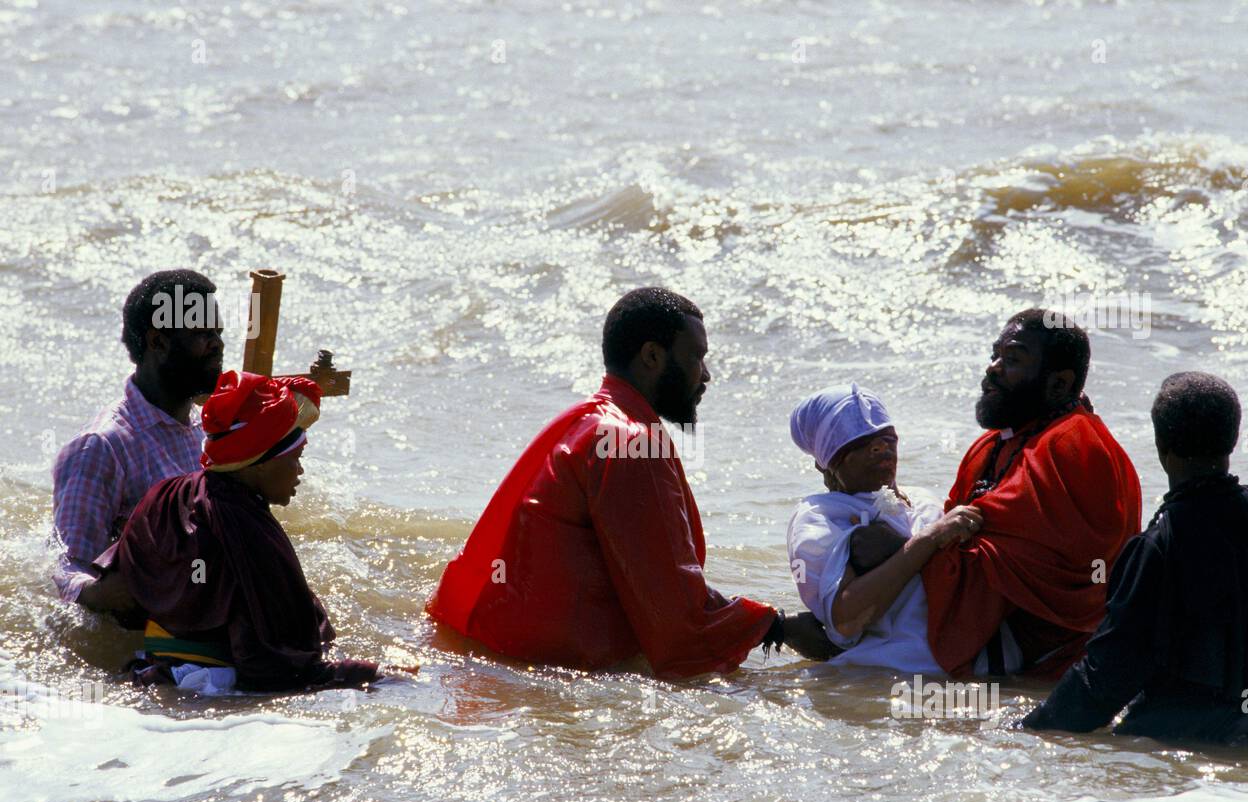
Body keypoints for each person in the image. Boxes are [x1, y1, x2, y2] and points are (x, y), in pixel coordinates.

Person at [428, 287, 834, 677]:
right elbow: (677, 630)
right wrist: (778, 629)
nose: (707, 375)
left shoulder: (584, 420)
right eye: (696, 356)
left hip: (471, 649)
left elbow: (661, 582)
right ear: (652, 356)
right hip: (518, 669)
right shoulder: (631, 443)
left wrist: (765, 623)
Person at [1023, 372, 1248, 742]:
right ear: (1233, 439)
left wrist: (1029, 730)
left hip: (1184, 733)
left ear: (1160, 446)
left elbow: (1104, 681)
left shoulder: (1157, 546)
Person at [93, 371, 382, 694]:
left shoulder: (167, 496)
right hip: (211, 686)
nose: (300, 471)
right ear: (260, 463)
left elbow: (122, 587)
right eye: (296, 458)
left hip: (149, 667)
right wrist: (374, 674)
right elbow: (276, 669)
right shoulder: (247, 533)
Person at [918, 308, 1143, 679]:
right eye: (995, 355)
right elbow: (960, 530)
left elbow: (1029, 556)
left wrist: (911, 546)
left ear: (1058, 384)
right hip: (971, 623)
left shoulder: (1074, 444)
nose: (992, 367)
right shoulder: (991, 444)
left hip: (1033, 651)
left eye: (1012, 359)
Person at [52, 269, 224, 612]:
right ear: (158, 342)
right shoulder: (101, 448)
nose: (217, 344)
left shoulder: (208, 429)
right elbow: (67, 572)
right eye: (202, 333)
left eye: (218, 332)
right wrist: (117, 592)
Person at [786, 383, 983, 671]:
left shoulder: (924, 502)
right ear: (825, 463)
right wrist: (928, 540)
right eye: (857, 443)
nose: (881, 449)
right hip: (894, 672)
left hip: (972, 658)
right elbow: (844, 619)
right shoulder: (820, 517)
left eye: (887, 438)